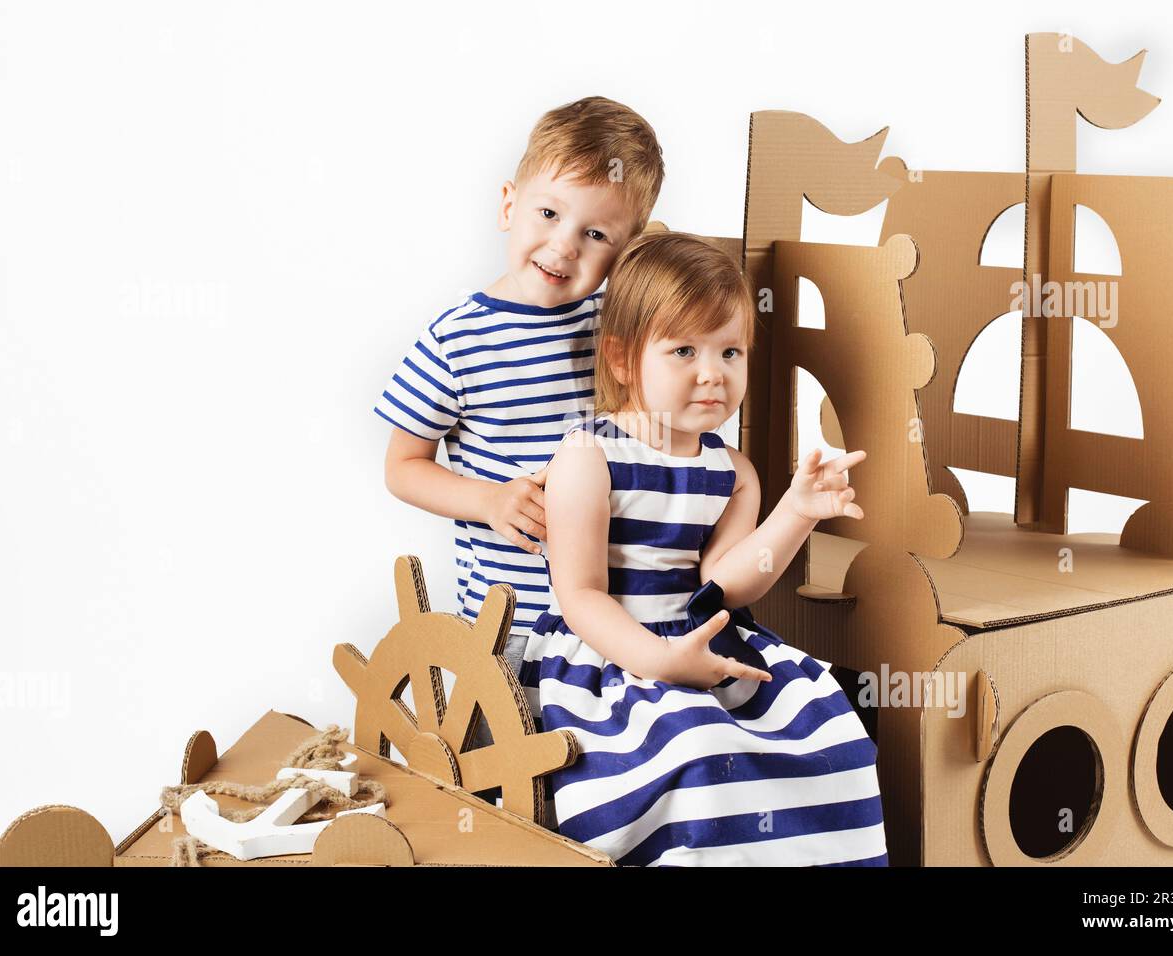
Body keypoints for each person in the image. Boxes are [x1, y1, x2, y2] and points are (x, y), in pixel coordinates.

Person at [518, 231, 889, 865]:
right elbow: (579, 593)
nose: (712, 373)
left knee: (827, 723)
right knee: (694, 750)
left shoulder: (733, 471)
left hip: (704, 639)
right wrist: (659, 661)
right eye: (683, 350)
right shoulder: (590, 456)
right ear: (621, 359)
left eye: (731, 351)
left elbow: (727, 583)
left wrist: (796, 514)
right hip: (611, 654)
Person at [375, 97, 664, 704]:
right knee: (501, 777)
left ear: (626, 250)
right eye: (548, 213)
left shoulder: (616, 326)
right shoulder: (458, 339)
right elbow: (403, 468)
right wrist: (488, 500)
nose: (563, 247)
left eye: (595, 234)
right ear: (509, 205)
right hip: (510, 625)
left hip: (615, 616)